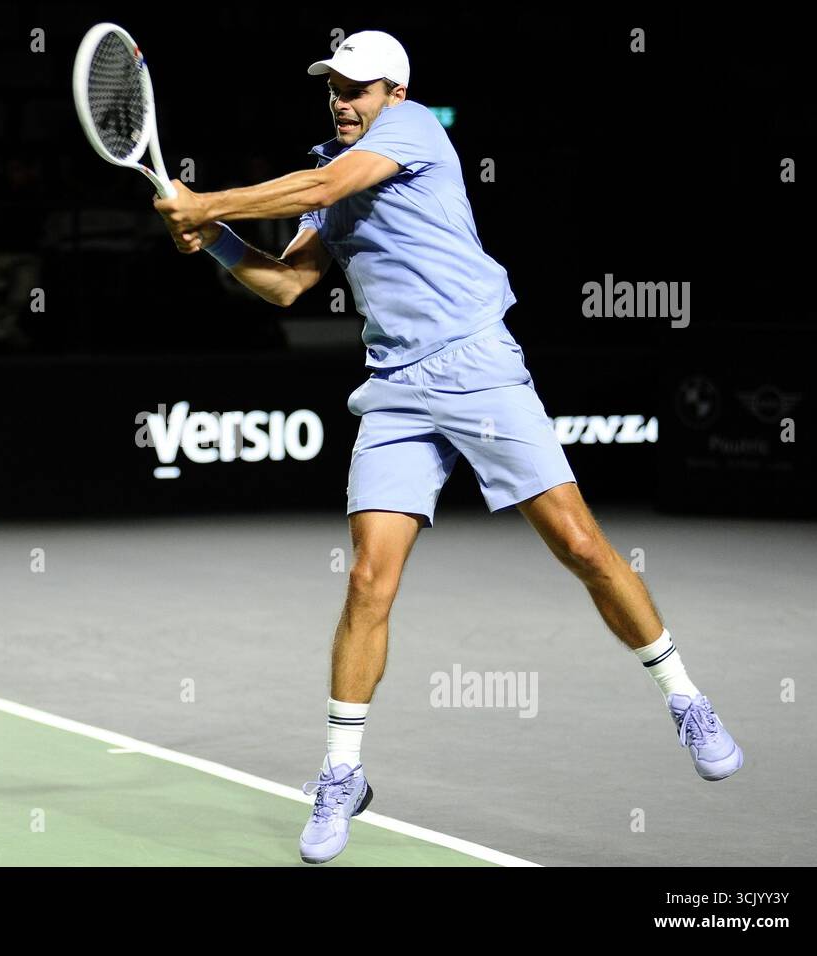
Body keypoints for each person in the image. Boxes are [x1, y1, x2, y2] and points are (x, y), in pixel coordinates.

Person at [152, 30, 743, 865]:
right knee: (367, 579)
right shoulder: (328, 172)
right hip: (394, 388)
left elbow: (323, 184)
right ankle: (341, 774)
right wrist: (210, 236)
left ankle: (685, 699)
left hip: (476, 365)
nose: (341, 101)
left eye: (357, 88)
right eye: (333, 88)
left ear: (394, 93)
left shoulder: (415, 128)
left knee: (581, 544)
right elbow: (286, 283)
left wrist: (204, 202)